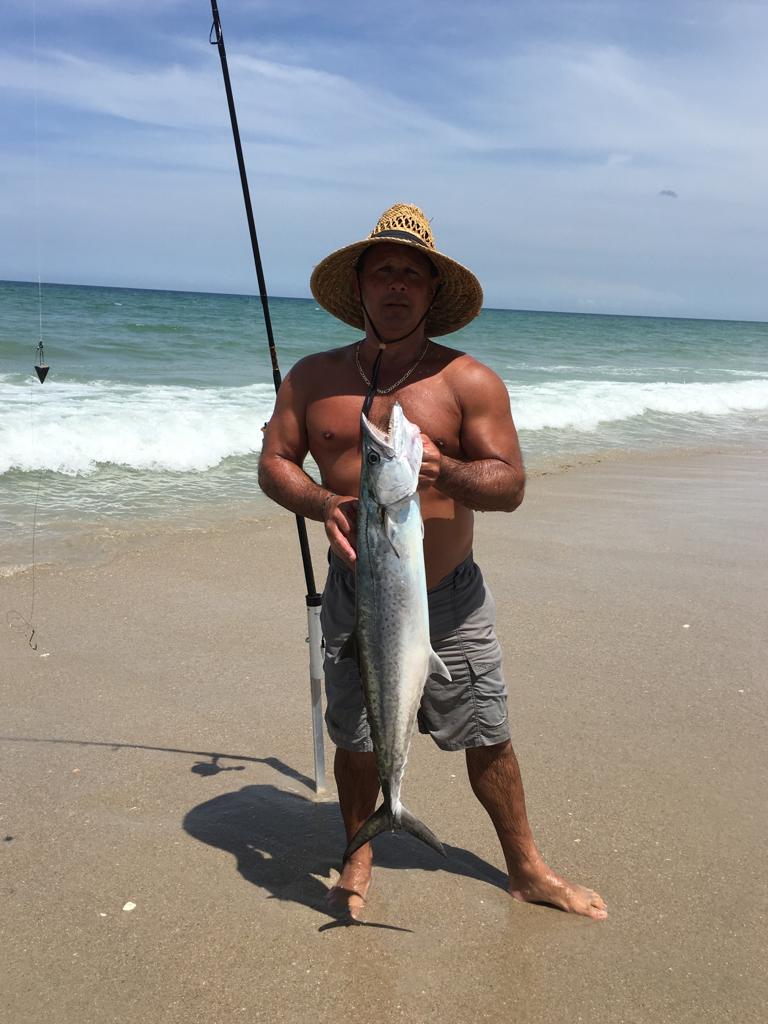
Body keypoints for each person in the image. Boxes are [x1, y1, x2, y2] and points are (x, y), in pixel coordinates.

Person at [258, 203, 607, 921]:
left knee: (487, 731)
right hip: (355, 590)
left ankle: (527, 867)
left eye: (410, 274)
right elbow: (273, 463)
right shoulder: (313, 378)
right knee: (356, 735)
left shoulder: (467, 382)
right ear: (358, 287)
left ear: (430, 291)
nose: (395, 284)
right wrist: (323, 502)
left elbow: (509, 482)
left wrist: (447, 473)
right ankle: (359, 851)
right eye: (382, 271)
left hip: (447, 598)